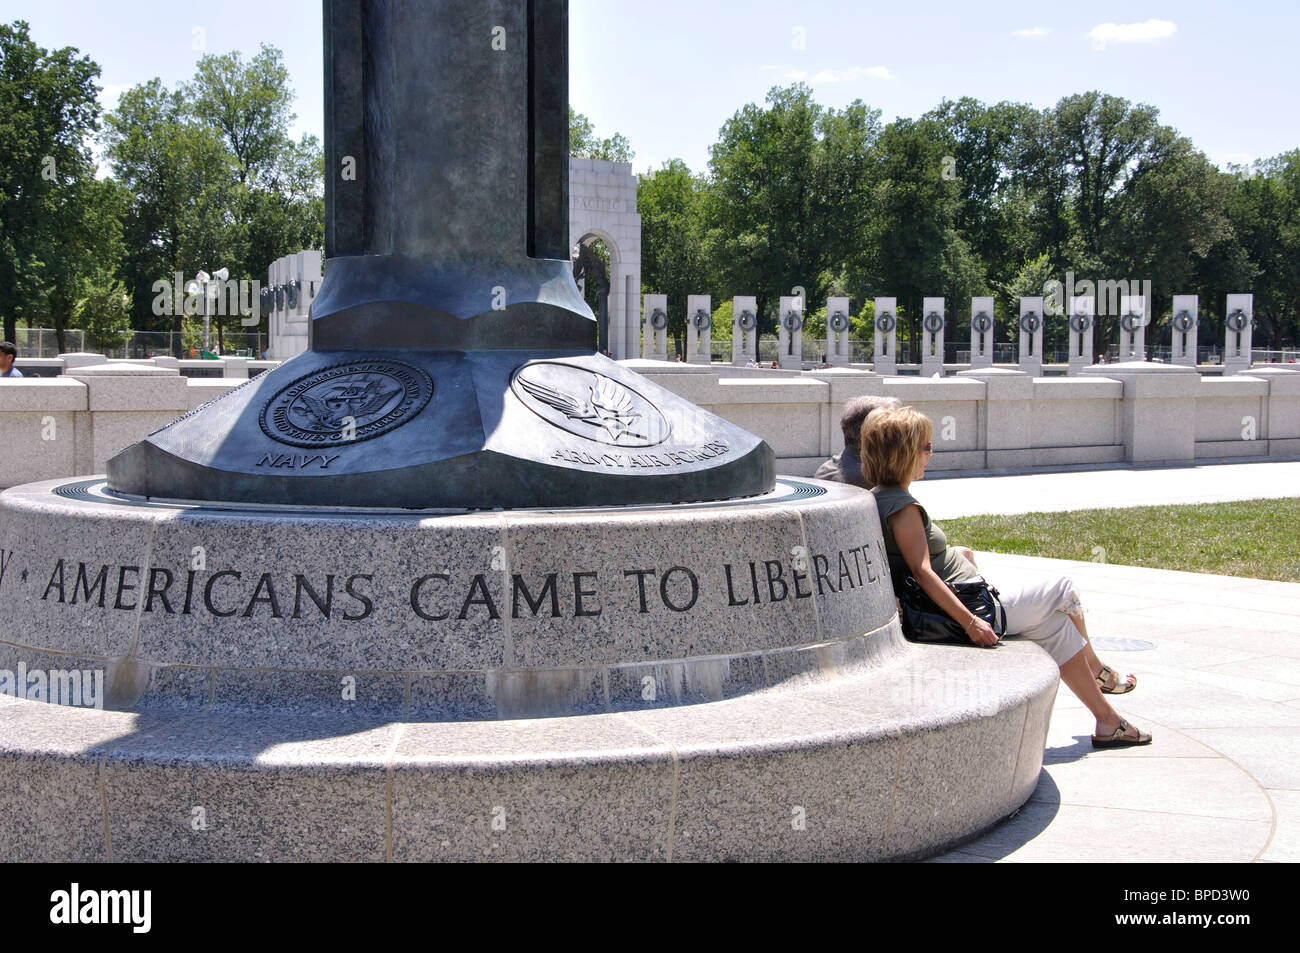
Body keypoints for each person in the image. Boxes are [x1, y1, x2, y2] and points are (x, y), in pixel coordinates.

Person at [861, 406, 1150, 748]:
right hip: (976, 610)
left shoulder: (877, 498)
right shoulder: (902, 507)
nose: (930, 453)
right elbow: (923, 573)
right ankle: (1101, 670)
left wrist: (960, 557)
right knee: (1064, 590)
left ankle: (1108, 721)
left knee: (1056, 629)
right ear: (904, 453)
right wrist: (971, 623)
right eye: (925, 446)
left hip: (969, 600)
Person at [814, 395, 901, 488]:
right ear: (870, 437)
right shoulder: (873, 478)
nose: (898, 437)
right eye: (892, 431)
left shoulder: (826, 469)